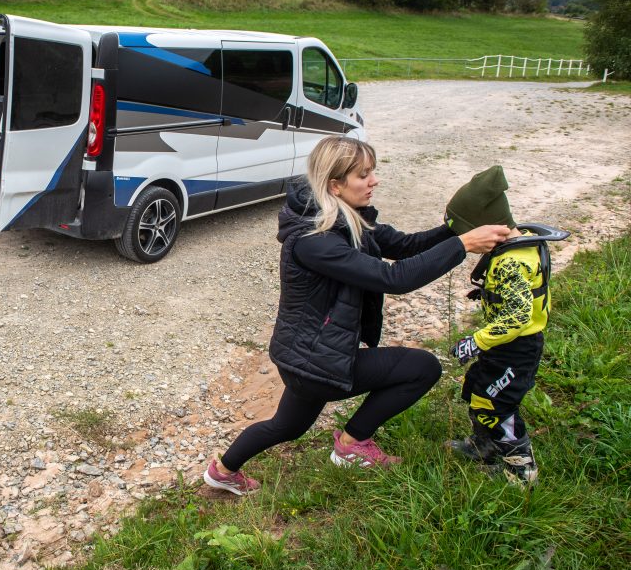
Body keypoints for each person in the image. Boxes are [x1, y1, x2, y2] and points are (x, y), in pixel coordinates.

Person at [202, 136, 511, 496]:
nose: (374, 181)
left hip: (305, 356)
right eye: (363, 175)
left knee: (285, 426)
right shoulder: (313, 240)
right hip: (316, 361)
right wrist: (464, 245)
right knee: (422, 367)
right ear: (335, 185)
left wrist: (454, 228)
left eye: (372, 172)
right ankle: (352, 444)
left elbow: (405, 247)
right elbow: (393, 278)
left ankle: (222, 473)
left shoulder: (346, 219)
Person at [445, 166, 564, 485]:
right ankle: (484, 446)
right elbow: (522, 291)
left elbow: (517, 317)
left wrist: (476, 341)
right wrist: (487, 292)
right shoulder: (522, 243)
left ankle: (521, 469)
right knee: (477, 390)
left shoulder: (510, 262)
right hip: (507, 346)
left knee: (496, 404)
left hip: (516, 348)